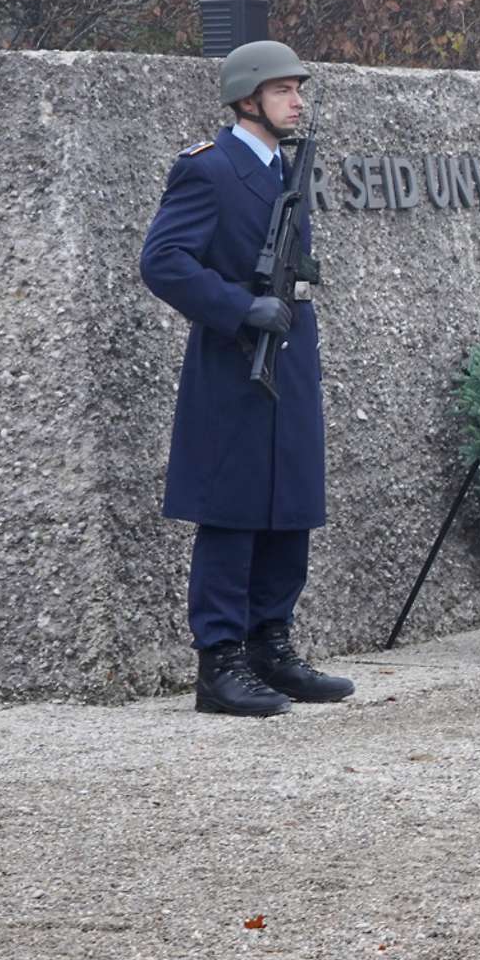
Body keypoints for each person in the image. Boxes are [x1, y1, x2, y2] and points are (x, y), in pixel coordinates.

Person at [138, 39, 353, 717]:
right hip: (236, 358)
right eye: (284, 90)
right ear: (247, 98)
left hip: (290, 353)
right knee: (231, 512)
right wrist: (238, 308)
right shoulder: (210, 169)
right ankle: (221, 662)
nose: (297, 102)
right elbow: (164, 261)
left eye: (299, 90)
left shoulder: (283, 170)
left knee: (289, 505)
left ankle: (271, 645)